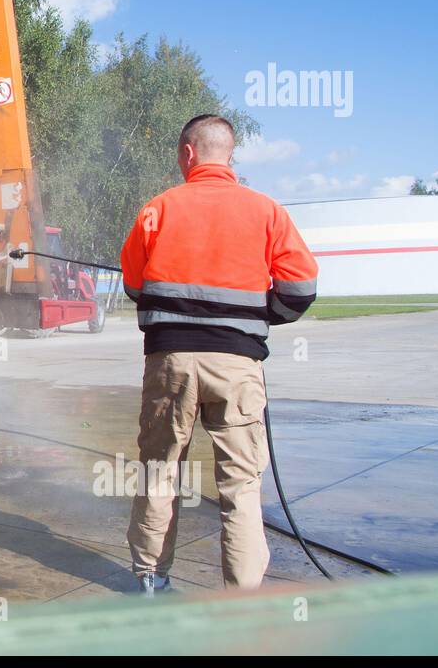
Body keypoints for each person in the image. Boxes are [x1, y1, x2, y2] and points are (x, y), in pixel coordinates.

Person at [119, 115, 318, 595]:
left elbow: (132, 283)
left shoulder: (158, 209)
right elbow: (302, 286)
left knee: (160, 470)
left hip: (170, 363)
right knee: (241, 486)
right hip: (236, 366)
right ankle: (242, 597)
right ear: (229, 155)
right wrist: (257, 317)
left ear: (189, 153)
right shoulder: (266, 211)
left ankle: (150, 576)